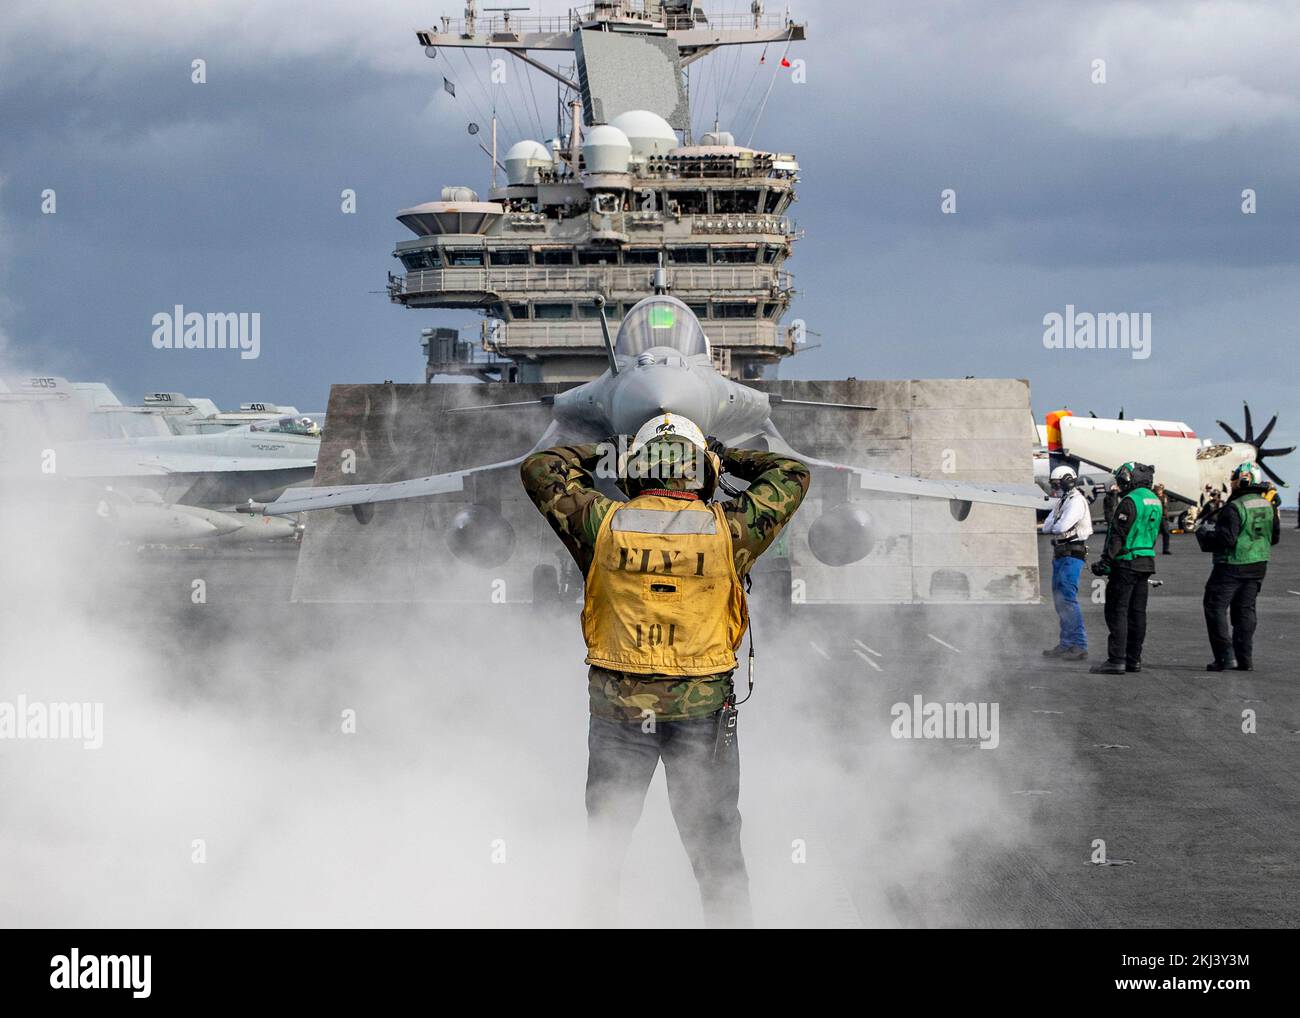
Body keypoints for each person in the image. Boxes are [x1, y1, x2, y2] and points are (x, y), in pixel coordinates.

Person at [520, 413, 809, 928]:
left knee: (605, 845)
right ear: (702, 472)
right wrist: (727, 456)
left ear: (635, 469)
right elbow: (792, 473)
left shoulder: (601, 525)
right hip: (703, 713)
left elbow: (540, 467)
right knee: (716, 847)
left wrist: (606, 448)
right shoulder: (730, 530)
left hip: (618, 715)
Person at [1196, 462, 1280, 672]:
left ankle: (1225, 656)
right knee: (1245, 610)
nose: (1231, 481)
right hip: (1258, 565)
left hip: (1231, 565)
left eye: (1234, 477)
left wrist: (1205, 535)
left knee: (1214, 607)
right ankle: (1245, 658)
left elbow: (1227, 539)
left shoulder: (1235, 507)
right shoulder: (1268, 505)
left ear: (1243, 479)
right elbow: (1274, 538)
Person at [1089, 462, 1163, 675]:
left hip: (1126, 562)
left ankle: (1116, 660)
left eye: (1122, 479)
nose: (1120, 483)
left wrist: (1105, 563)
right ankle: (1133, 659)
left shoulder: (1131, 501)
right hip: (1146, 561)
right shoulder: (1154, 500)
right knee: (1137, 613)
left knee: (1117, 611)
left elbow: (1118, 535)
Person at [1041, 465, 1092, 661]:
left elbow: (1059, 526)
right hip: (1062, 553)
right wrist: (1055, 525)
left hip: (1072, 554)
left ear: (1068, 481)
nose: (1055, 488)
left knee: (1068, 599)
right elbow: (1047, 527)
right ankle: (1067, 643)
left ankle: (1078, 644)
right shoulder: (1064, 501)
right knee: (1060, 600)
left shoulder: (1076, 501)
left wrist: (1055, 525)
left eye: (1057, 484)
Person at [1155, 483, 1173, 554]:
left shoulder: (1165, 497)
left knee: (1166, 534)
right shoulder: (1154, 497)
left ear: (1162, 490)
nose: (1159, 491)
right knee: (1153, 534)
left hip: (1163, 517)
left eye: (1160, 489)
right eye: (1158, 489)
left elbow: (1166, 507)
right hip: (1156, 517)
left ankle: (1166, 549)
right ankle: (1149, 548)